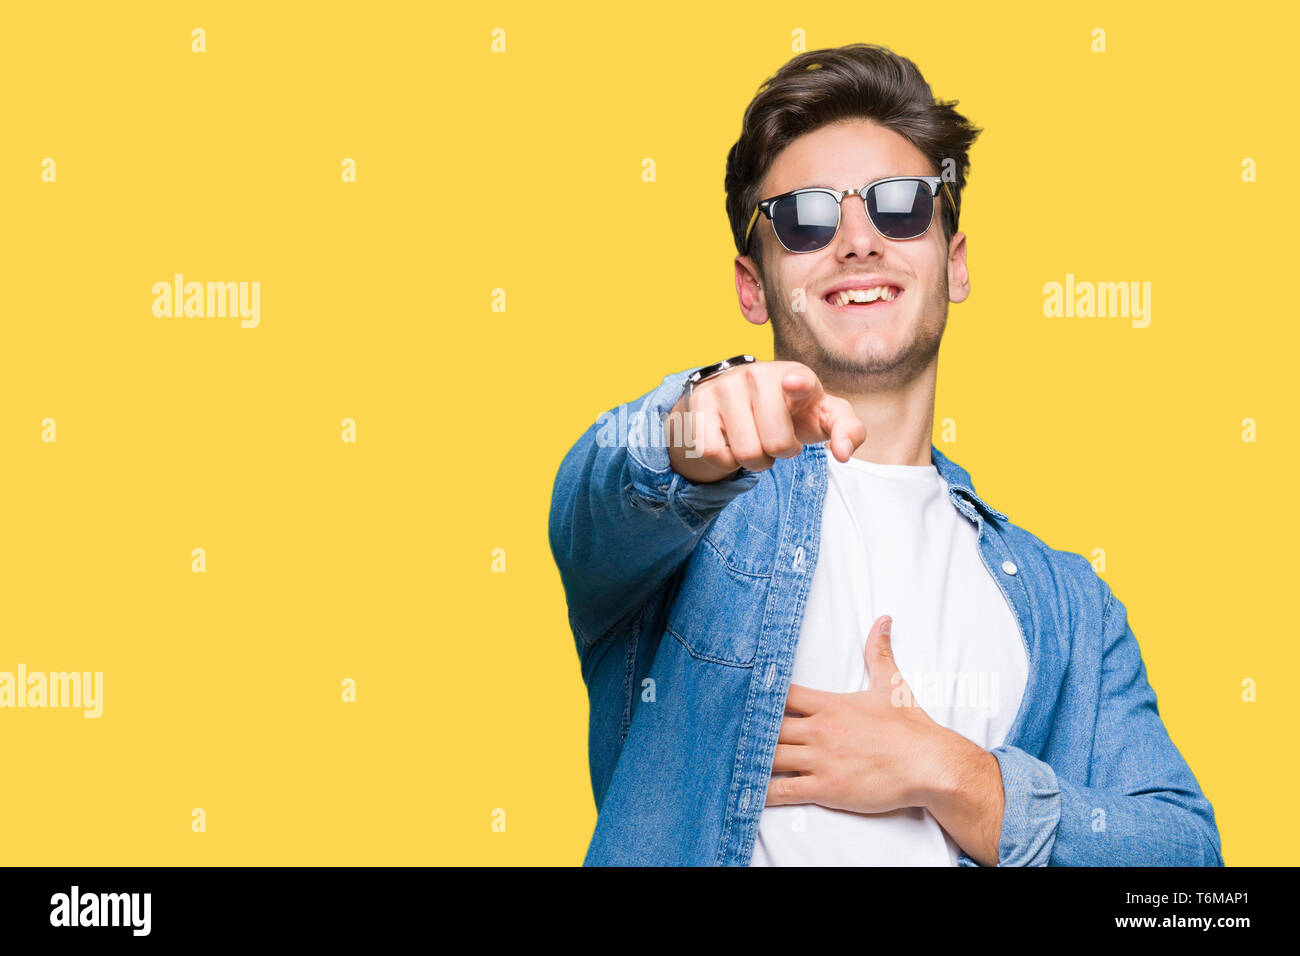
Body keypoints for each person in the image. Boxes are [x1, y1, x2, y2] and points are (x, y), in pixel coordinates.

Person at [547, 42, 1221, 867]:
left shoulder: (1070, 608)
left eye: (899, 205)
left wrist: (952, 774)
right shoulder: (692, 517)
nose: (858, 241)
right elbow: (596, 504)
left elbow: (1190, 869)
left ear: (956, 261)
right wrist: (693, 427)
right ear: (752, 285)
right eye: (805, 216)